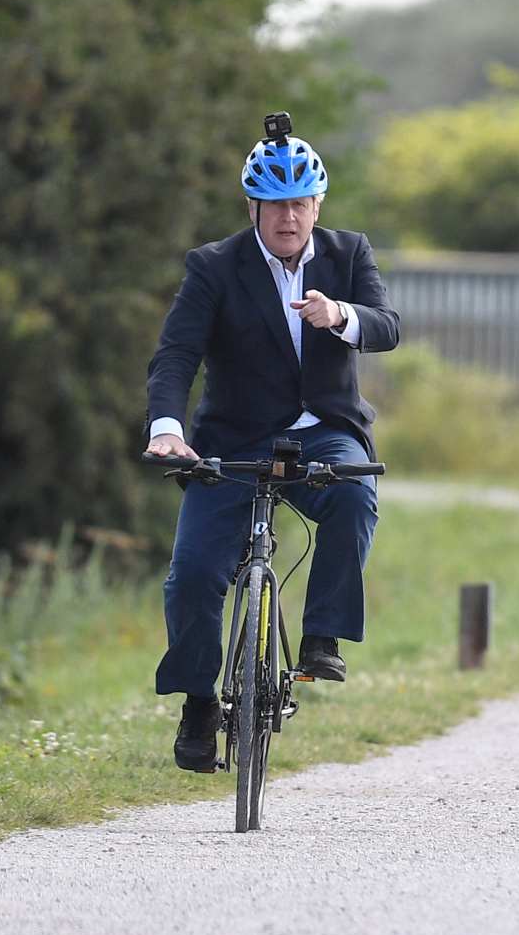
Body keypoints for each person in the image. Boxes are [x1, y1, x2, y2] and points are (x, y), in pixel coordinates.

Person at [144, 115, 400, 771]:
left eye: (300, 203)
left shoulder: (349, 254)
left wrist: (340, 315)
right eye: (275, 204)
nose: (289, 217)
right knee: (193, 574)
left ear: (318, 205)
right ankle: (199, 702)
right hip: (232, 439)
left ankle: (322, 638)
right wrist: (167, 428)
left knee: (355, 497)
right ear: (252, 206)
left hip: (324, 432)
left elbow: (387, 325)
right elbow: (176, 355)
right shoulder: (213, 267)